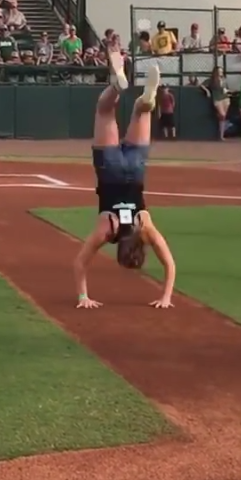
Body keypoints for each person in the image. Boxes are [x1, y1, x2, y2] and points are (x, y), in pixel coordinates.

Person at [70, 50, 177, 310]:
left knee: (141, 114)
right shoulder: (107, 230)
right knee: (104, 110)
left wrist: (167, 297)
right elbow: (79, 263)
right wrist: (83, 297)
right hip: (109, 169)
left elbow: (170, 264)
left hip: (135, 168)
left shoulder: (145, 227)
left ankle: (145, 100)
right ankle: (116, 88)